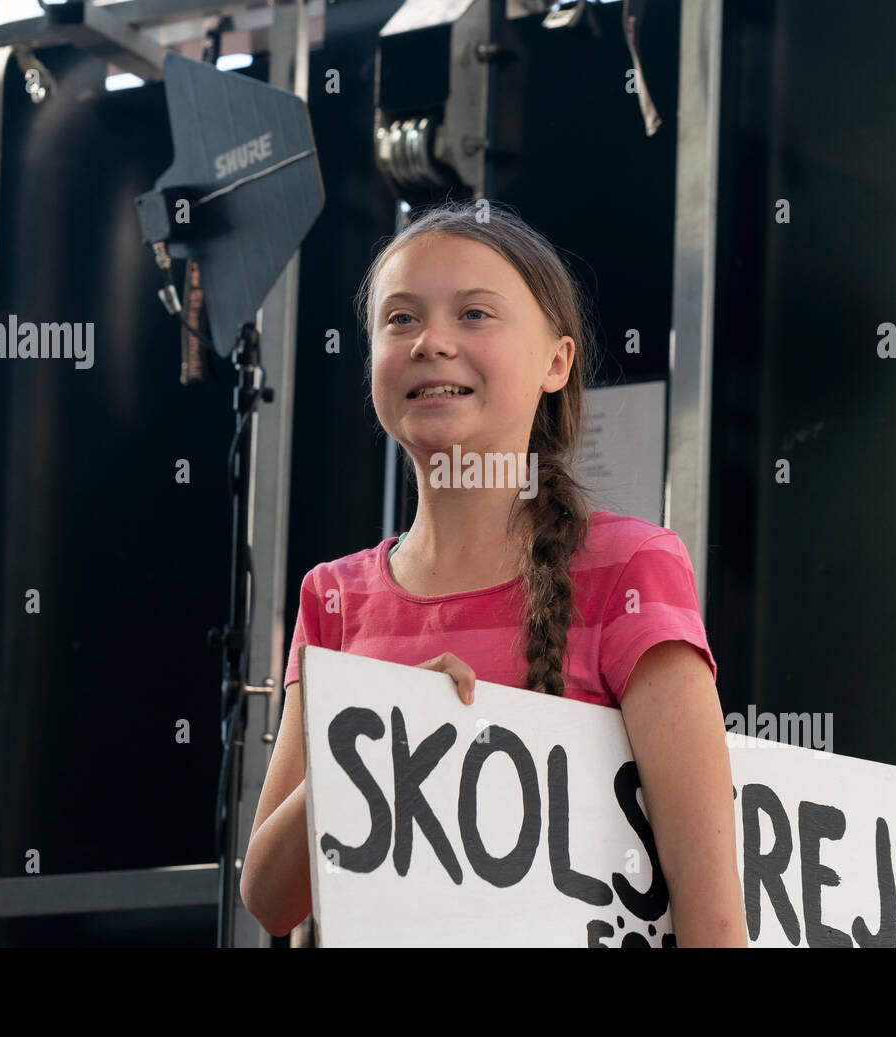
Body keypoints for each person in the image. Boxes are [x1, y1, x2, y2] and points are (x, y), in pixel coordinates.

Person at [239, 200, 746, 946]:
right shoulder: (333, 597)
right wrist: (382, 743)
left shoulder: (631, 568)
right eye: (400, 318)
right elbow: (268, 897)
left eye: (475, 314)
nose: (431, 341)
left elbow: (713, 915)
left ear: (556, 362)